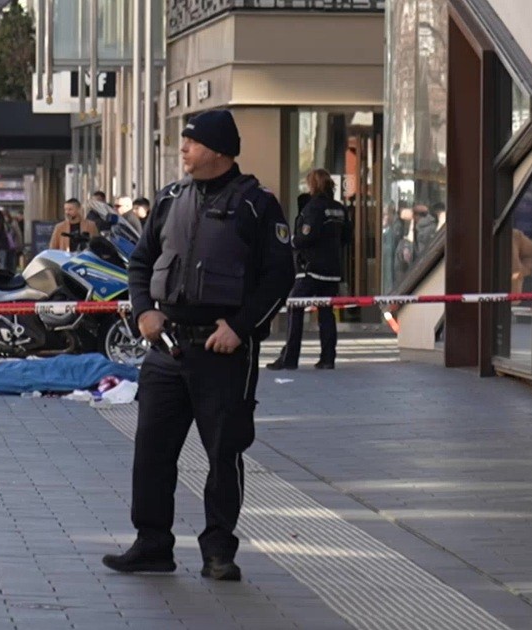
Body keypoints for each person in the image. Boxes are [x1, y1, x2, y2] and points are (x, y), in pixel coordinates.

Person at [103, 109, 294, 581]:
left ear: (220, 150)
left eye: (192, 141)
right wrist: (144, 310)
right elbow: (140, 263)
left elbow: (279, 278)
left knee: (223, 453)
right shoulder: (170, 199)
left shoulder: (257, 205)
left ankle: (219, 552)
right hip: (166, 350)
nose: (183, 149)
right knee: (151, 451)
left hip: (223, 353)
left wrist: (240, 328)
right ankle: (152, 544)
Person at [268, 168, 349, 370]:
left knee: (294, 306)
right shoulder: (339, 209)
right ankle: (328, 358)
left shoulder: (313, 207)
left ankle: (290, 358)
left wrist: (292, 242)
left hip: (311, 268)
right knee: (326, 312)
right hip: (332, 270)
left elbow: (306, 236)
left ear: (313, 184)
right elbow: (346, 238)